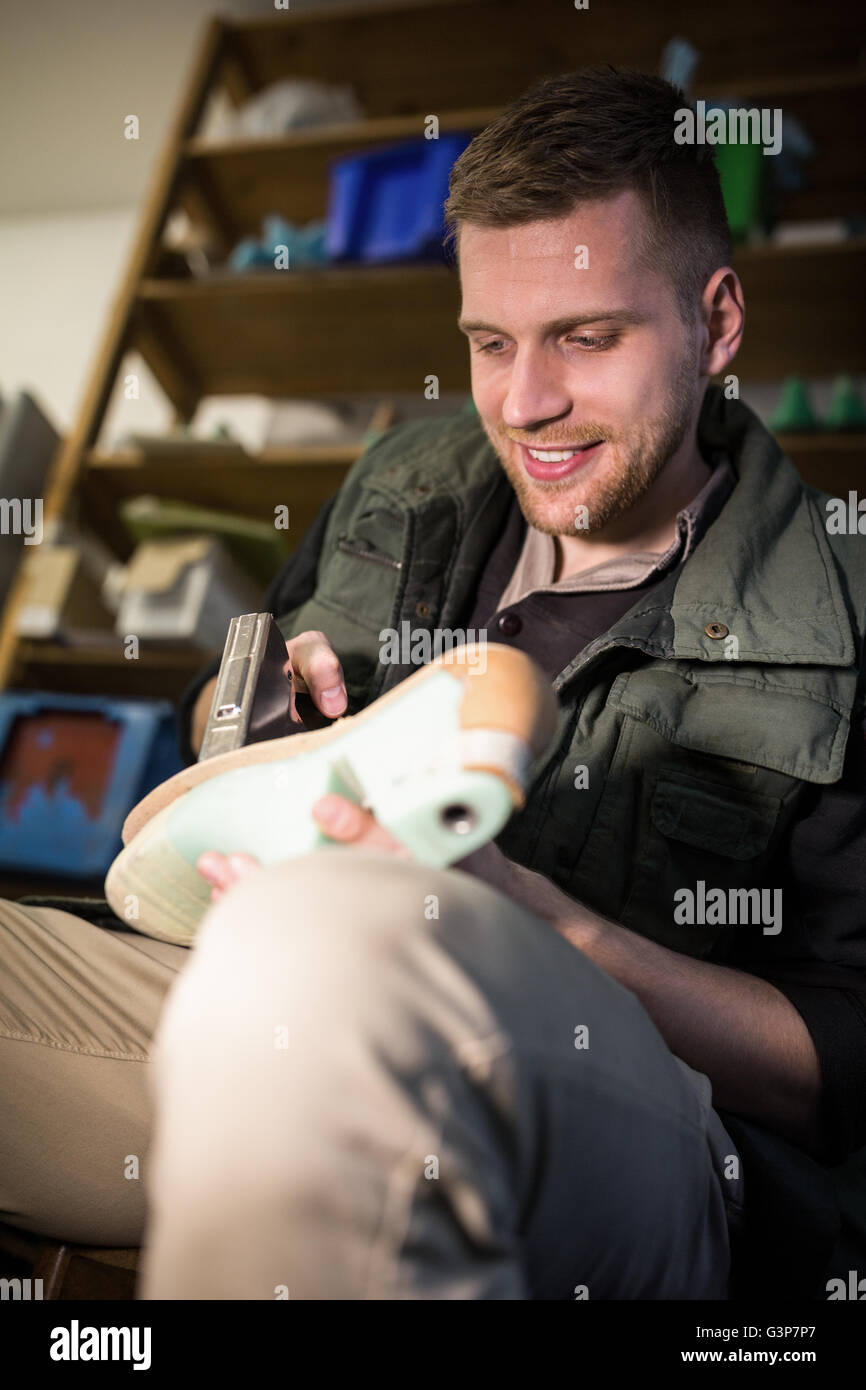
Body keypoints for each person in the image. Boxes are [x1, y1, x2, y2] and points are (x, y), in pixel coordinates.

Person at [2, 66, 864, 1301]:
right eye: (489, 343)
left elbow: (841, 1067)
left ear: (714, 324)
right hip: (263, 1011)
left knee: (332, 947)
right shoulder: (409, 474)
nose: (526, 404)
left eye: (586, 337)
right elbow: (221, 698)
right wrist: (254, 729)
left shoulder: (844, 613)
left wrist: (538, 921)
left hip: (669, 1145)